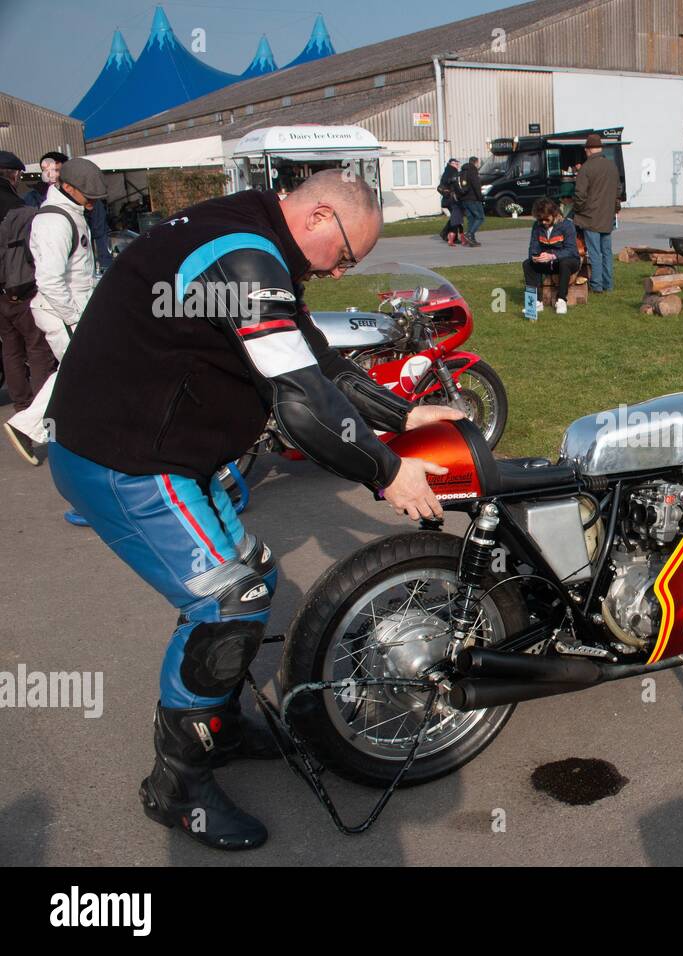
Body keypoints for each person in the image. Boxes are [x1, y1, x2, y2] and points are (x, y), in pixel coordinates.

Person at [44, 170, 461, 851]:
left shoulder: (252, 235)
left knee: (255, 577)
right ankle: (177, 790)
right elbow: (300, 400)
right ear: (321, 215)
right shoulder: (245, 255)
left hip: (161, 448)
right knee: (228, 599)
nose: (338, 272)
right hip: (126, 457)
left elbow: (318, 363)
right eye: (346, 256)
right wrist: (387, 474)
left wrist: (406, 412)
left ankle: (220, 724)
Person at [3, 158, 105, 466]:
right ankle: (31, 427)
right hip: (61, 311)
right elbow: (49, 279)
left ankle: (63, 434)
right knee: (79, 374)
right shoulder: (55, 221)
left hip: (69, 308)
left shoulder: (70, 214)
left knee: (77, 374)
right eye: (88, 196)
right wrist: (74, 316)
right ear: (68, 187)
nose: (92, 203)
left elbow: (79, 271)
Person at [0, 151, 58, 418]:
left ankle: (21, 405)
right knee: (37, 349)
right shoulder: (25, 212)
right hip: (23, 290)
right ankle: (39, 411)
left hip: (0, 295)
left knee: (10, 349)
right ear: (13, 175)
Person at [572, 133, 620, 294]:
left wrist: (577, 211)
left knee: (594, 252)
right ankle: (609, 284)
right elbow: (618, 191)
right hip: (607, 216)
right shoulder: (612, 166)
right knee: (607, 252)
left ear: (588, 150)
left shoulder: (586, 168)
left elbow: (579, 195)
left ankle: (597, 285)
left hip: (590, 217)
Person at [521, 197, 579, 320]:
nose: (543, 222)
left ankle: (561, 300)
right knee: (527, 264)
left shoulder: (567, 225)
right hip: (547, 262)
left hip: (569, 261)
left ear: (554, 214)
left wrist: (552, 255)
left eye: (546, 219)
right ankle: (535, 302)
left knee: (565, 263)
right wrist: (535, 257)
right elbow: (533, 246)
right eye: (540, 219)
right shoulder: (537, 226)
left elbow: (570, 250)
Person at [459, 156, 485, 247]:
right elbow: (476, 186)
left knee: (471, 219)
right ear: (476, 162)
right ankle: (469, 234)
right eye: (478, 163)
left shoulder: (462, 171)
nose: (479, 165)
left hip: (464, 199)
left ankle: (471, 240)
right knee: (480, 217)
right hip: (473, 199)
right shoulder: (473, 171)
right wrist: (481, 198)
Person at [437, 158, 463, 246]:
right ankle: (452, 237)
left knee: (455, 218)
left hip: (447, 199)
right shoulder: (453, 172)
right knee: (456, 218)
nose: (457, 165)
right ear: (450, 163)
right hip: (452, 199)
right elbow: (454, 185)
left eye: (457, 163)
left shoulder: (447, 171)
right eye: (455, 163)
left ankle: (445, 233)